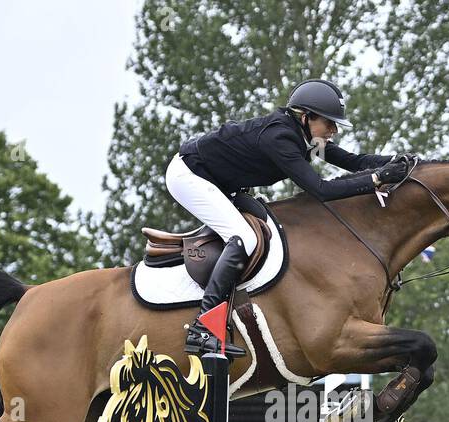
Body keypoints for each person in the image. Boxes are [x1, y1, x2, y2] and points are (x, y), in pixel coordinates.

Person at [168, 78, 410, 355]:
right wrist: (378, 179)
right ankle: (203, 329)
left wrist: (396, 161)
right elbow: (321, 189)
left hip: (218, 180)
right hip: (189, 175)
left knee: (266, 230)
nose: (333, 130)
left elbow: (352, 161)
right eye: (329, 123)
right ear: (306, 117)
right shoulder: (281, 138)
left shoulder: (305, 137)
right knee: (245, 238)